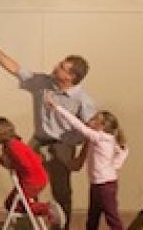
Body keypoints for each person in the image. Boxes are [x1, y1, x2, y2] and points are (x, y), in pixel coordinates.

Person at [0, 33, 96, 229]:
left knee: (61, 191)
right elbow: (15, 69)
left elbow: (92, 133)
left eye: (62, 67)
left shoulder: (83, 100)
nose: (56, 66)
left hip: (62, 146)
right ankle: (30, 223)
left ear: (71, 77)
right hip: (38, 140)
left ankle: (61, 226)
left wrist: (80, 159)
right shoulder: (43, 82)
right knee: (26, 182)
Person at [43, 98, 128, 230]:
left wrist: (57, 107)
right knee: (93, 216)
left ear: (102, 126)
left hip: (105, 186)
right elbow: (124, 150)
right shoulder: (106, 138)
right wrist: (114, 166)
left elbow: (78, 125)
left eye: (95, 119)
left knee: (112, 217)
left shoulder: (100, 137)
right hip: (97, 184)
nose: (90, 120)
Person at [0, 117, 66, 229]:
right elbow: (34, 159)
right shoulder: (12, 145)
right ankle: (44, 209)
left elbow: (26, 164)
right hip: (34, 178)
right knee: (11, 203)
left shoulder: (13, 147)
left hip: (32, 180)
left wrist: (10, 165)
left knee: (14, 204)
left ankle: (48, 209)